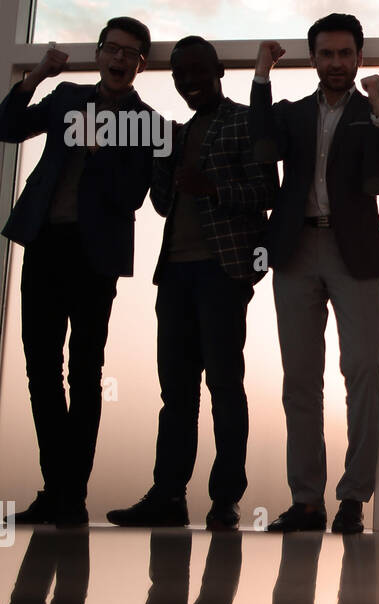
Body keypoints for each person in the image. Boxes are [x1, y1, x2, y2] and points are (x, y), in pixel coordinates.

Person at [0, 17, 156, 527]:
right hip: (45, 244)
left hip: (95, 257)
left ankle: (71, 495)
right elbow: (5, 130)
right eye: (111, 48)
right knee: (41, 368)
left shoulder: (145, 122)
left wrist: (97, 152)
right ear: (100, 53)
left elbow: (132, 198)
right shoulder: (64, 97)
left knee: (85, 373)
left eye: (129, 53)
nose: (118, 58)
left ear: (140, 65)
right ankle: (57, 488)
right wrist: (35, 75)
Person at [108, 37, 275, 530]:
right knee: (176, 393)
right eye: (181, 75)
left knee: (225, 386)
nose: (189, 81)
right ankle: (168, 496)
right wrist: (165, 164)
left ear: (219, 70)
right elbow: (162, 203)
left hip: (223, 273)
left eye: (198, 71)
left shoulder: (246, 120)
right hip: (176, 275)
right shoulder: (176, 134)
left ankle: (224, 501)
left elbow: (267, 191)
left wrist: (214, 188)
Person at [246, 14, 379, 534]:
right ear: (314, 58)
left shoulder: (376, 113)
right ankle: (307, 501)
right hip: (295, 250)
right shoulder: (289, 113)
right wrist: (262, 76)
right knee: (300, 382)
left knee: (364, 372)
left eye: (345, 54)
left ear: (358, 57)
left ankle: (353, 497)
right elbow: (262, 147)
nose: (336, 63)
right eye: (327, 54)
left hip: (351, 249)